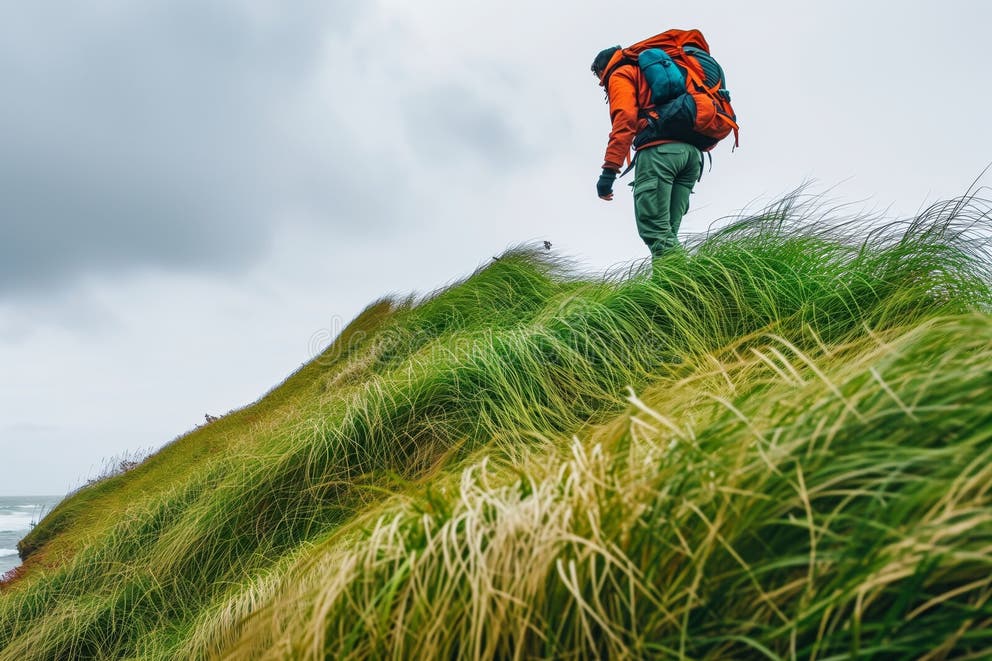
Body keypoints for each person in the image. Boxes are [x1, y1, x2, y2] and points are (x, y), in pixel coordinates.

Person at [592, 46, 702, 261]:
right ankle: (668, 289)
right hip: (692, 154)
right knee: (667, 233)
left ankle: (691, 288)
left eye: (599, 79)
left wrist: (608, 173)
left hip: (659, 154)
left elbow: (625, 121)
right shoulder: (655, 71)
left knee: (656, 233)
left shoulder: (620, 73)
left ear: (602, 70)